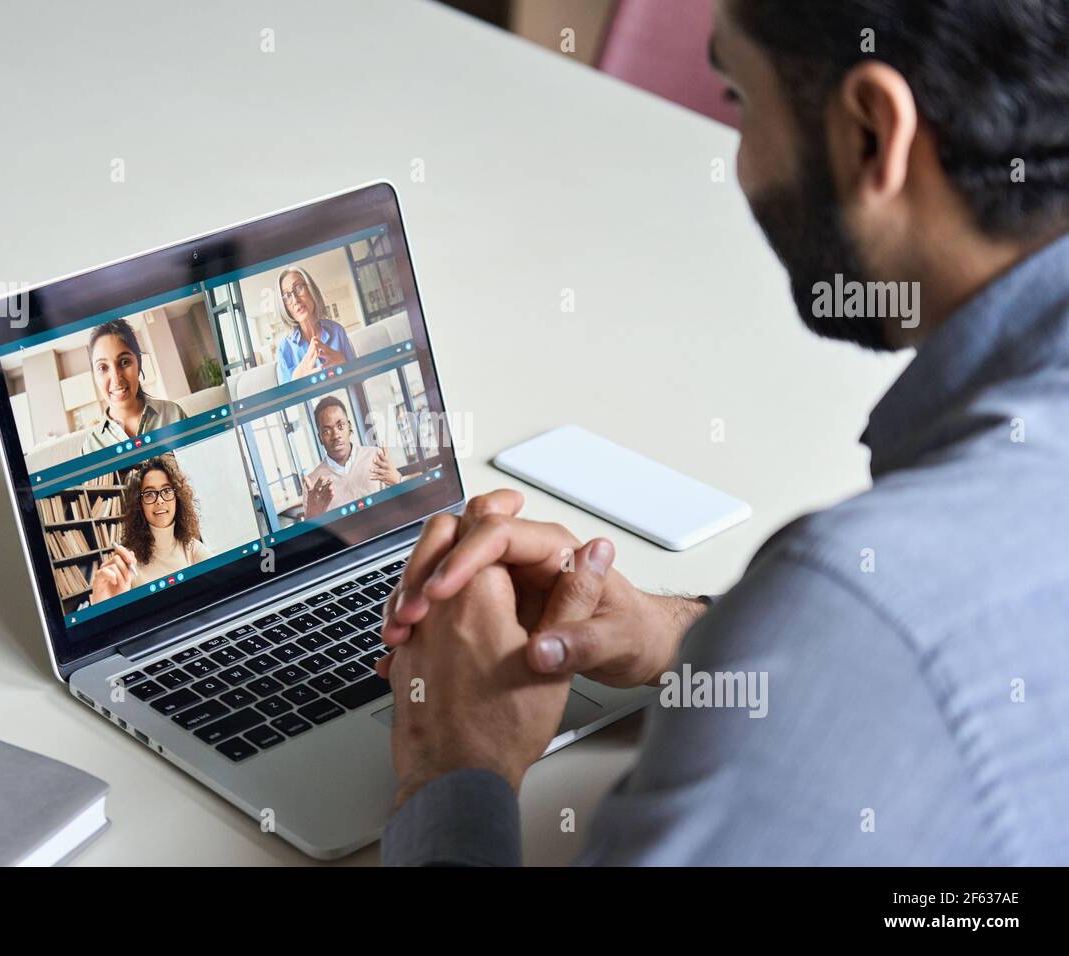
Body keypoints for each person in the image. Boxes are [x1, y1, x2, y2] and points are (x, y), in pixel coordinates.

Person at [376, 0, 1069, 865]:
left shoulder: (866, 613)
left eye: (738, 100)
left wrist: (455, 766)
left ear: (870, 133)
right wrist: (706, 638)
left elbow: (899, 644)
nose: (738, 164)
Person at [89, 455, 211, 604]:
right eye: (149, 493)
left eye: (166, 491)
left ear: (177, 497)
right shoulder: (127, 563)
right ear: (140, 505)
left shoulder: (193, 549)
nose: (159, 500)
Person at [81, 318, 186, 455]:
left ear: (139, 363)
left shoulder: (173, 414)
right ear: (95, 376)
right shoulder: (92, 446)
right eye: (103, 367)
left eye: (124, 362)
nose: (116, 379)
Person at [301, 396, 401, 519]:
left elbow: (405, 504)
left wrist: (398, 481)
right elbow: (313, 535)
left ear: (349, 427)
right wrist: (312, 517)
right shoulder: (313, 483)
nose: (336, 435)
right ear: (320, 437)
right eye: (327, 431)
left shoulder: (376, 457)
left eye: (340, 426)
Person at [273, 267, 357, 385]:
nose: (295, 300)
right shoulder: (283, 349)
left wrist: (343, 363)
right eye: (287, 297)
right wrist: (296, 380)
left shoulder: (337, 331)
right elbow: (289, 401)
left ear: (311, 290)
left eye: (299, 288)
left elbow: (359, 379)